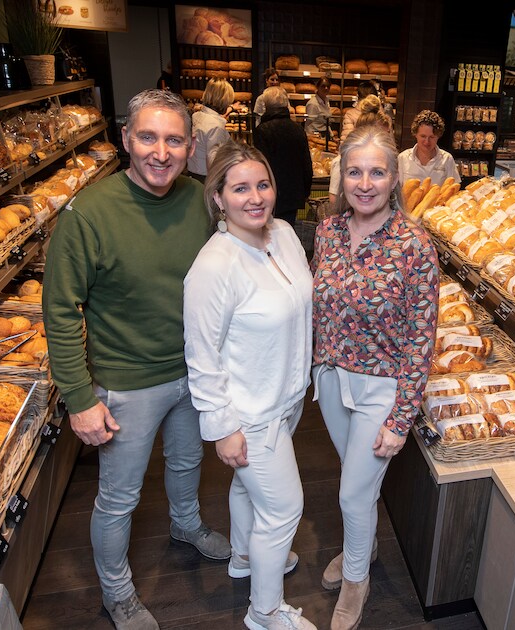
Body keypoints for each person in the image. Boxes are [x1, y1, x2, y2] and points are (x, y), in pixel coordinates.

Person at [43, 89, 232, 630]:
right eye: (148, 137)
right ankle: (117, 592)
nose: (161, 151)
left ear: (192, 146)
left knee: (187, 462)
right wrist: (80, 399)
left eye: (174, 139)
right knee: (119, 498)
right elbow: (60, 310)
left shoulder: (200, 200)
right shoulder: (88, 214)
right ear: (125, 138)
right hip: (126, 383)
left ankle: (186, 526)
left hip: (191, 373)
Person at [311, 125, 439, 630]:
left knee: (350, 492)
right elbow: (318, 301)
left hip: (381, 388)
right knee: (356, 485)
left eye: (377, 172)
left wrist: (400, 418)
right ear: (342, 176)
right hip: (330, 381)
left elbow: (420, 340)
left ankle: (357, 580)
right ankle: (358, 546)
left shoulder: (414, 246)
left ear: (394, 178)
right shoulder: (328, 231)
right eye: (355, 171)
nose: (365, 183)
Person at [184, 141, 315, 630]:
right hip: (250, 412)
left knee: (247, 488)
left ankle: (244, 556)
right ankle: (264, 612)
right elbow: (201, 355)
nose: (255, 197)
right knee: (284, 510)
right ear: (218, 197)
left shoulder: (280, 234)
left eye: (263, 185)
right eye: (240, 188)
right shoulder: (214, 267)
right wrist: (223, 428)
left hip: (286, 398)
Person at [253, 87, 313, 225]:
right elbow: (306, 164)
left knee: (268, 233)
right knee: (287, 232)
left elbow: (261, 166)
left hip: (270, 193)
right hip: (293, 194)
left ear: (266, 106)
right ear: (286, 104)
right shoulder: (298, 129)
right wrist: (305, 191)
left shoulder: (262, 130)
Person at [328, 111, 390, 198]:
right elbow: (333, 197)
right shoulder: (342, 161)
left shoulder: (388, 161)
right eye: (354, 173)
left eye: (378, 173)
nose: (365, 186)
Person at [398, 110, 461, 186]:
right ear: (415, 134)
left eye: (431, 137)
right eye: (423, 136)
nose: (427, 142)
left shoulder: (447, 159)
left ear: (438, 136)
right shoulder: (402, 158)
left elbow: (453, 190)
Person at [189, 79, 234, 180]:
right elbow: (213, 161)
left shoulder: (196, 116)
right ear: (223, 100)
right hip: (206, 178)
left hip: (192, 172)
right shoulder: (215, 126)